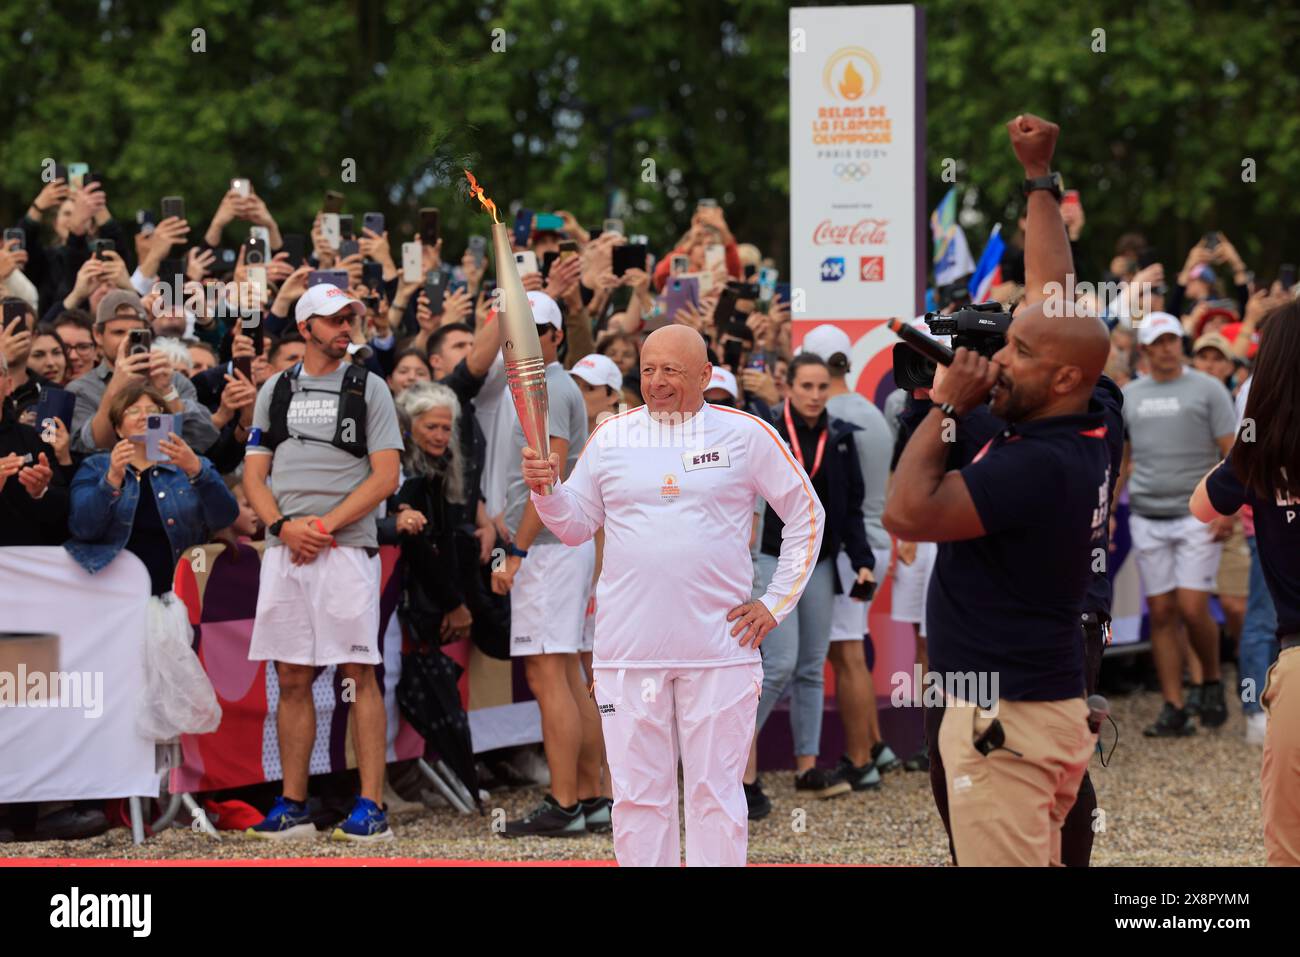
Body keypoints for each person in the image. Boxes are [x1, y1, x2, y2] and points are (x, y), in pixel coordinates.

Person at [884, 113, 1110, 867]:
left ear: (1065, 379)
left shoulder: (1036, 465)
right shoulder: (1085, 418)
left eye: (1016, 351)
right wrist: (1039, 178)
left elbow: (907, 512)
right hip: (1040, 702)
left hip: (1001, 717)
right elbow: (1058, 298)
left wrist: (947, 404)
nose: (997, 359)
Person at [522, 324, 824, 866]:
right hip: (628, 653)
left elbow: (806, 513)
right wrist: (546, 491)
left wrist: (774, 602)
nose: (657, 383)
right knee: (638, 800)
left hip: (719, 652)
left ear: (705, 376)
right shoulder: (612, 436)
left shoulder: (746, 435)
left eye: (672, 372)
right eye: (647, 370)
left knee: (716, 797)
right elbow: (574, 525)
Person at [241, 283, 403, 842]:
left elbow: (387, 476)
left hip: (344, 549)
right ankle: (292, 805)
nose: (345, 327)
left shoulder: (370, 386)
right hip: (287, 550)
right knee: (291, 675)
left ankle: (372, 807)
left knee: (358, 674)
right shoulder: (274, 390)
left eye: (350, 318)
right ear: (305, 326)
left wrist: (323, 528)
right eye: (334, 320)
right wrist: (284, 528)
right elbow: (254, 475)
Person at [1189, 298, 1300, 865]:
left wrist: (1250, 449)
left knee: (1288, 842)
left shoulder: (1259, 454)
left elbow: (1201, 505)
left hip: (1299, 661)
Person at [490, 292, 603, 837]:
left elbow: (547, 477)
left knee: (549, 671)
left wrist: (517, 550)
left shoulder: (551, 388)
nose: (524, 341)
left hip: (549, 547)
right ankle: (589, 795)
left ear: (557, 337)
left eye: (536, 331)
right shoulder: (544, 386)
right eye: (517, 330)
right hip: (556, 545)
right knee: (564, 672)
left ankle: (565, 803)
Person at [743, 354, 875, 807]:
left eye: (822, 387)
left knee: (811, 666)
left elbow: (850, 509)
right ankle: (729, 751)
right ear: (789, 386)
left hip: (818, 561)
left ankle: (806, 768)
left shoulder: (839, 437)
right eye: (807, 386)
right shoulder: (769, 428)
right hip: (769, 556)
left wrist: (862, 560)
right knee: (777, 664)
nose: (816, 395)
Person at [1117, 311, 1238, 736]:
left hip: (1197, 516)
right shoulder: (1129, 395)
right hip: (1147, 515)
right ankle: (1173, 706)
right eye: (1158, 342)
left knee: (1192, 606)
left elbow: (1232, 454)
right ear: (1145, 349)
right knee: (1162, 612)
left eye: (1172, 340)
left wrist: (1228, 510)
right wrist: (1109, 516)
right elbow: (1123, 462)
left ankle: (1209, 678)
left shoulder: (1207, 389)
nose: (1167, 348)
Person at [799, 324, 900, 786]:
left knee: (847, 656)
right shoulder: (872, 413)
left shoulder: (827, 419)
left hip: (851, 548)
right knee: (850, 649)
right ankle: (874, 747)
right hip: (874, 542)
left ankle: (859, 760)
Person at [66, 290, 218, 455]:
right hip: (110, 477)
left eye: (136, 333)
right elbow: (89, 448)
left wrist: (167, 393)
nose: (127, 340)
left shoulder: (174, 380)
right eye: (118, 332)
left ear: (148, 332)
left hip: (168, 475)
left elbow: (202, 439)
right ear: (98, 335)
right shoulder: (81, 389)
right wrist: (115, 387)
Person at [0, 352, 73, 545]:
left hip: (28, 561)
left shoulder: (32, 437)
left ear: (8, 385)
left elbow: (64, 516)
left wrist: (40, 493)